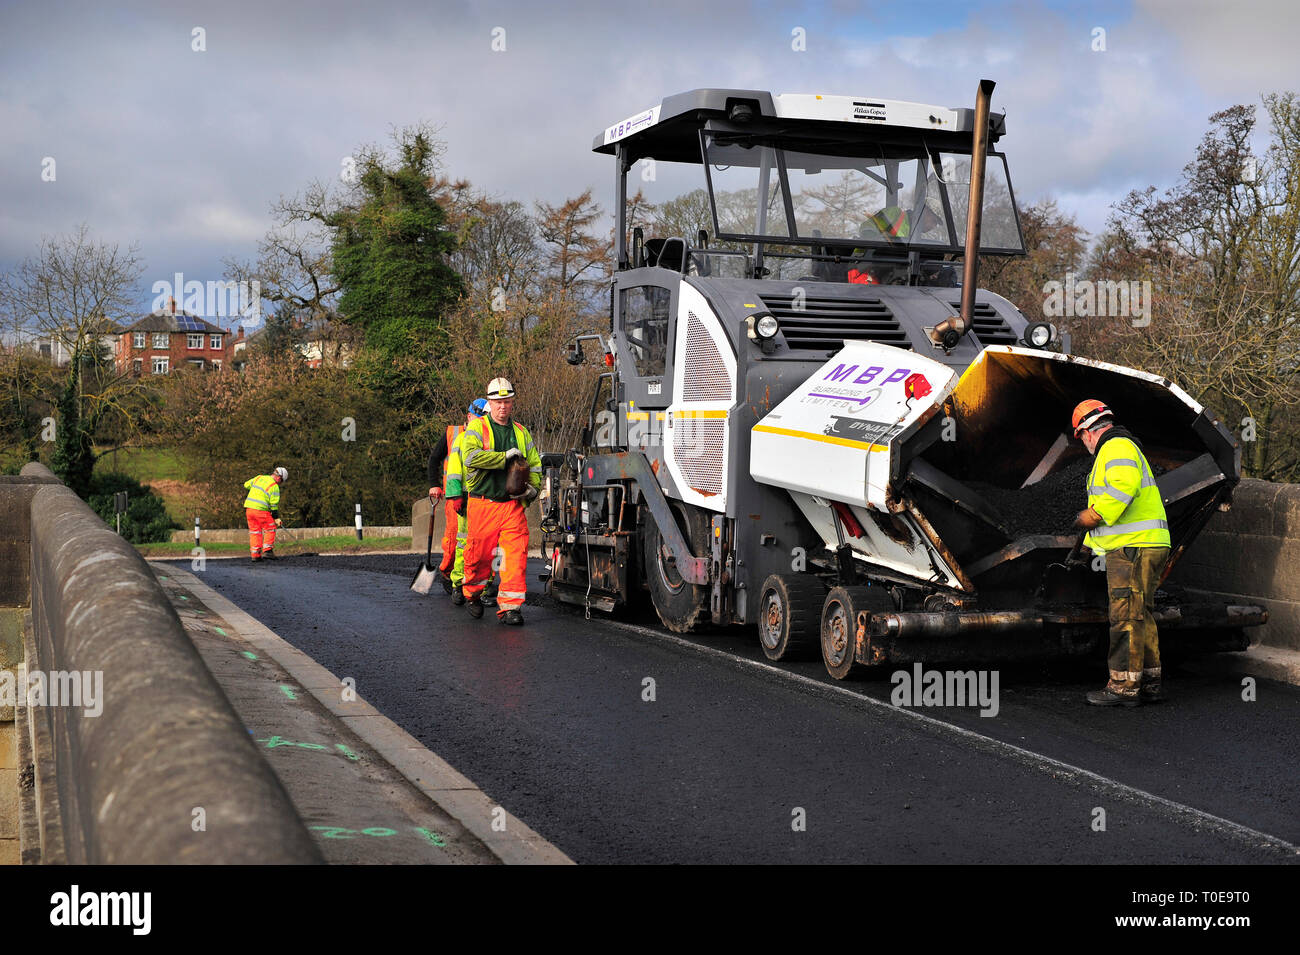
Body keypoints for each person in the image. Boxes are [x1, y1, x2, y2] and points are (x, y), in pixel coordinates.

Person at [1071, 401, 1170, 706]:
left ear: (1088, 430)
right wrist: (1089, 543)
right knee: (1141, 613)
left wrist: (1094, 514)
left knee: (1125, 614)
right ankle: (1150, 683)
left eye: (1080, 436)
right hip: (1146, 543)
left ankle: (1122, 687)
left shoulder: (1114, 447)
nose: (1083, 443)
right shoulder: (1123, 447)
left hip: (1134, 547)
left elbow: (1121, 489)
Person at [459, 377, 542, 625]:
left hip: (512, 506)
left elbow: (535, 464)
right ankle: (472, 594)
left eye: (506, 401)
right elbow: (471, 458)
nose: (502, 406)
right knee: (479, 558)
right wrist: (504, 457)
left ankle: (510, 608)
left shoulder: (521, 432)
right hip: (482, 504)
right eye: (497, 402)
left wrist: (533, 491)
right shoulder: (476, 429)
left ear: (512, 402)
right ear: (490, 403)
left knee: (515, 557)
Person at [428, 399, 488, 605]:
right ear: (469, 416)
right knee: (455, 541)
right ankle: (448, 573)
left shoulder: (490, 434)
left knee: (479, 543)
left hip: (481, 498)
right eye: (478, 418)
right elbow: (435, 459)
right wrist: (435, 485)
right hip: (456, 496)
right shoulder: (453, 434)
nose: (481, 423)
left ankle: (473, 582)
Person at [244, 467, 288, 562]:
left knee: (255, 532)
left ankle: (255, 555)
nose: (280, 484)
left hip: (249, 510)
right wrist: (276, 519)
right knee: (270, 527)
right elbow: (273, 506)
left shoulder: (259, 477)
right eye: (281, 482)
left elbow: (246, 485)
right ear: (279, 478)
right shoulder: (274, 486)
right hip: (261, 511)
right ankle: (268, 551)